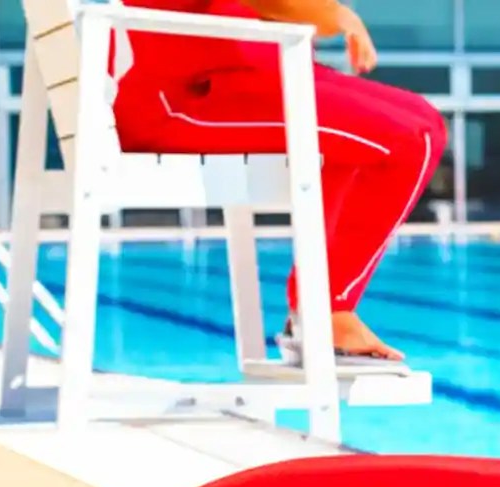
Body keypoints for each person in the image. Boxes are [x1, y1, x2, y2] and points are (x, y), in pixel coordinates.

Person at [112, 0, 447, 362]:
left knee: (424, 123)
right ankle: (326, 309)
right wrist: (336, 15)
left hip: (242, 74)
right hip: (186, 96)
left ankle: (319, 306)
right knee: (408, 140)